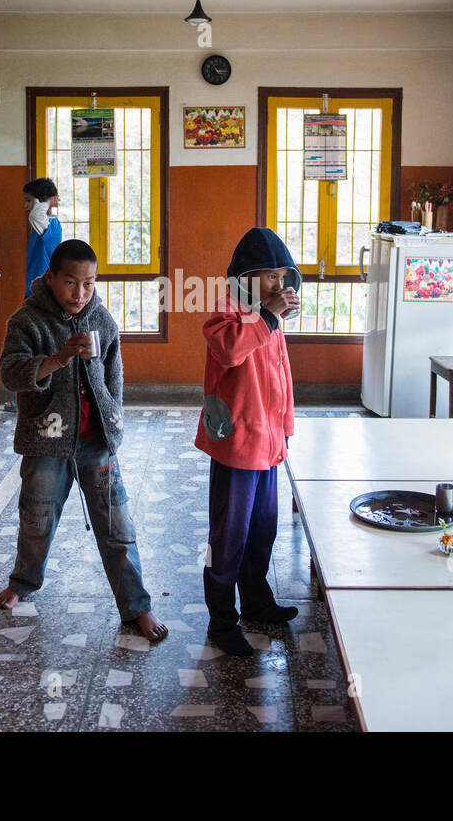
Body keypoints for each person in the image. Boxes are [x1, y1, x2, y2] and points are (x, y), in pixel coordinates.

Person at [0, 239, 167, 642]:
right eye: (70, 282)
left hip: (95, 442)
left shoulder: (103, 321)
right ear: (51, 278)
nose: (80, 293)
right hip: (46, 442)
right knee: (36, 517)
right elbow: (10, 374)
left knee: (117, 525)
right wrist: (57, 359)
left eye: (89, 283)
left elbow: (115, 378)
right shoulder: (27, 322)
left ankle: (137, 607)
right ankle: (23, 582)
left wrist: (114, 422)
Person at [195, 227, 302, 657]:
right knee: (228, 537)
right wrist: (269, 316)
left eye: (282, 277)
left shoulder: (267, 317)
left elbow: (279, 377)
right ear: (244, 277)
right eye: (268, 277)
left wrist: (286, 427)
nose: (278, 286)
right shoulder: (227, 313)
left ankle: (257, 602)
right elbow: (230, 352)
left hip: (267, 444)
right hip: (237, 446)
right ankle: (222, 620)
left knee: (263, 531)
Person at [23, 177, 62, 301]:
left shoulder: (51, 226)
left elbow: (34, 215)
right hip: (35, 289)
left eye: (29, 200)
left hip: (43, 291)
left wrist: (48, 202)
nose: (25, 205)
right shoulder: (44, 225)